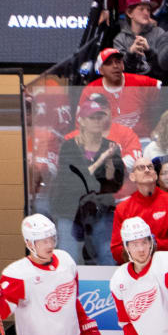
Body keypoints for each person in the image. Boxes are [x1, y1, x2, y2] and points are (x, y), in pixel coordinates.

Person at [0, 215, 102, 335]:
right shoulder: (17, 274)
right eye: (43, 241)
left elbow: (72, 300)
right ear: (29, 243)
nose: (49, 244)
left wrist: (86, 326)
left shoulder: (66, 261)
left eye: (52, 238)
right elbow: (1, 313)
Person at [51, 95, 126, 263]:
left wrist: (109, 169)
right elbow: (72, 181)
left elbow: (115, 185)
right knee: (68, 256)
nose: (97, 121)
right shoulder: (69, 147)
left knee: (107, 253)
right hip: (70, 210)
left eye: (100, 117)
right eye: (92, 118)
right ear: (82, 121)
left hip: (99, 209)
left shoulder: (111, 146)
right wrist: (100, 162)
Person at [111, 158, 168, 263]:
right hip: (136, 269)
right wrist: (141, 252)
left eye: (150, 167)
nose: (147, 170)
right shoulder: (122, 209)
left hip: (166, 267)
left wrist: (152, 244)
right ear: (132, 177)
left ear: (156, 175)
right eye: (141, 168)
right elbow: (116, 251)